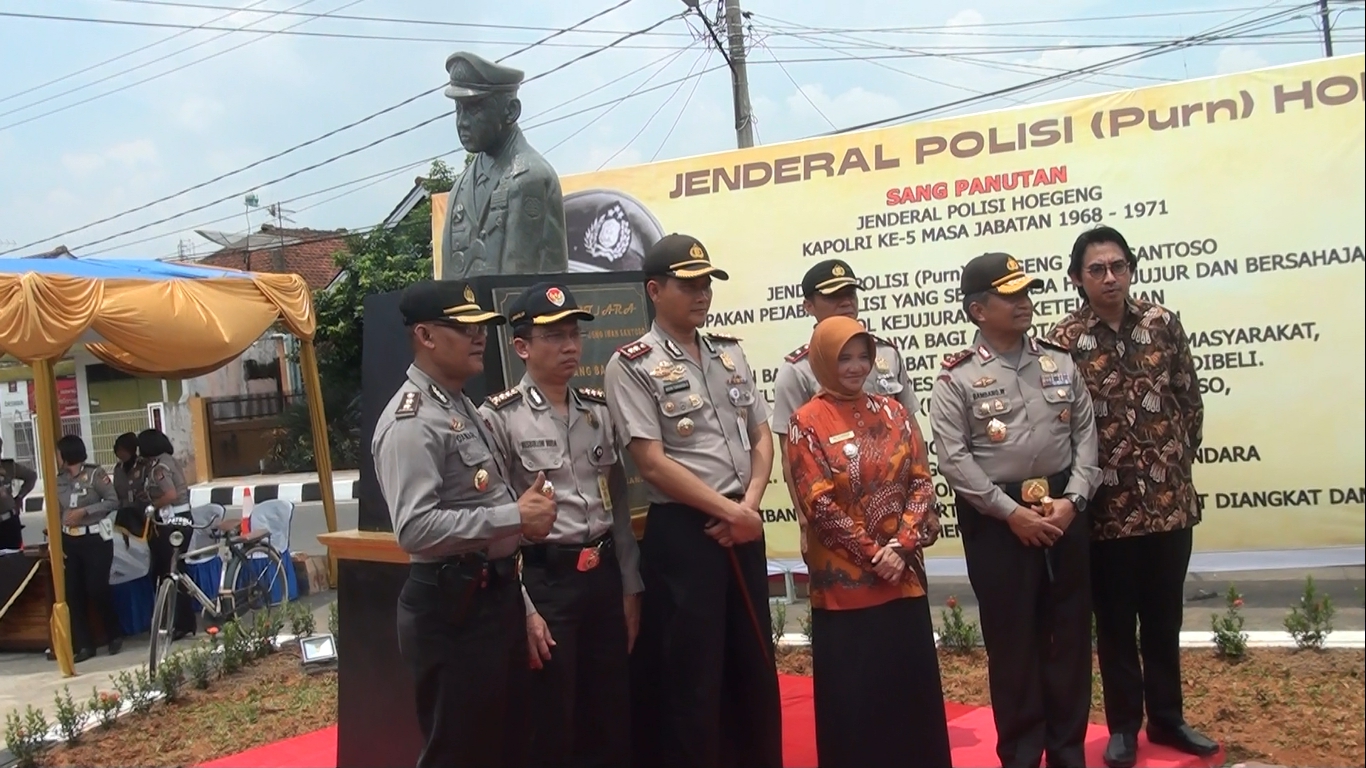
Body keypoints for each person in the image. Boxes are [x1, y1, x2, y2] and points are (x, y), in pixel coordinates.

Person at [603, 233, 783, 768]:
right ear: (654, 290)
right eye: (688, 285)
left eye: (706, 284)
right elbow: (651, 462)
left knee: (753, 660)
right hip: (687, 533)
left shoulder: (729, 352)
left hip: (742, 522)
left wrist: (748, 506)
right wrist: (731, 513)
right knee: (693, 671)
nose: (701, 294)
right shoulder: (631, 365)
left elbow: (761, 435)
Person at [1048, 226, 1218, 768]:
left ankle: (1168, 718)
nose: (1110, 277)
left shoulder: (1162, 323)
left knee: (1165, 619)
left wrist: (1174, 462)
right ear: (1077, 278)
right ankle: (1124, 726)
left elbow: (1188, 400)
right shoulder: (1063, 340)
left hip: (1168, 503)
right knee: (1117, 624)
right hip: (1107, 512)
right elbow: (1060, 424)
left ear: (1131, 269)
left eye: (1118, 266)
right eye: (1096, 269)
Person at [372, 279, 558, 768]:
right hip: (451, 610)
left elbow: (489, 523)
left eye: (482, 326)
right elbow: (414, 528)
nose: (479, 336)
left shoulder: (461, 407)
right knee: (461, 750)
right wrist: (516, 515)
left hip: (493, 595)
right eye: (464, 327)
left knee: (508, 747)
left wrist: (522, 604)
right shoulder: (413, 421)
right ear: (425, 336)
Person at [929, 252, 1101, 768]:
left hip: (1063, 509)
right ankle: (1023, 754)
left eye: (1026, 293)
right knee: (1013, 643)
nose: (1024, 303)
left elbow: (1086, 436)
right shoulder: (957, 379)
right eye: (1010, 296)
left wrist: (1073, 500)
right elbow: (954, 460)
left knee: (1070, 637)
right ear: (978, 311)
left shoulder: (1059, 361)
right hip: (997, 521)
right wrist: (1010, 514)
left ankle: (1068, 751)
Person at [479, 281, 642, 768]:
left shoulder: (598, 411)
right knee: (551, 720)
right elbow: (497, 525)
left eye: (574, 334)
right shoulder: (500, 418)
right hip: (545, 581)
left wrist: (630, 585)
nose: (570, 345)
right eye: (554, 336)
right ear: (522, 346)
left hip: (603, 578)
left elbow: (618, 506)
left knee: (610, 714)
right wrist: (525, 608)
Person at [785, 315, 952, 768]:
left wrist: (902, 546)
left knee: (910, 690)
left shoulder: (894, 411)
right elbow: (818, 503)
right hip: (847, 587)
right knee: (857, 699)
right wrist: (876, 555)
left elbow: (920, 480)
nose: (857, 367)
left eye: (864, 357)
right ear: (823, 360)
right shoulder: (806, 422)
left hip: (904, 577)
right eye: (845, 358)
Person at [770, 258, 931, 554]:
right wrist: (804, 524)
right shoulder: (797, 370)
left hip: (898, 520)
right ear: (808, 306)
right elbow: (791, 460)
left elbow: (913, 434)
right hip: (838, 523)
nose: (845, 301)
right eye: (833, 296)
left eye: (850, 293)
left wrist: (925, 508)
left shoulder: (886, 354)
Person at [438, 51, 568, 280]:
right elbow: (450, 278)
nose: (462, 122)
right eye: (459, 109)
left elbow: (519, 280)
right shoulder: (460, 188)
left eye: (474, 109)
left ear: (511, 111)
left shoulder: (529, 177)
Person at [53, 435, 124, 661]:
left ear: (67, 454)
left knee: (97, 588)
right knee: (73, 593)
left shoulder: (95, 474)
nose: (56, 458)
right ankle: (84, 645)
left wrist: (85, 512)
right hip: (70, 541)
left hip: (95, 539)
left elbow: (113, 501)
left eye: (58, 453)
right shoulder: (59, 480)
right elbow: (57, 508)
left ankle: (114, 634)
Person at [139, 428, 196, 640]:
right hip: (176, 518)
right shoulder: (166, 461)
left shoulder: (160, 467)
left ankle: (182, 621)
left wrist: (153, 506)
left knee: (172, 570)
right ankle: (179, 620)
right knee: (172, 568)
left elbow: (170, 494)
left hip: (174, 520)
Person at [1, 435, 37, 550]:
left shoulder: (8, 467)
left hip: (8, 522)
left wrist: (20, 497)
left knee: (14, 556)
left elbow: (31, 476)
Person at [111, 432, 145, 507]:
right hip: (125, 508)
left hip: (142, 507)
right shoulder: (118, 469)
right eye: (118, 450)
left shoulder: (143, 465)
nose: (120, 453)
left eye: (122, 450)